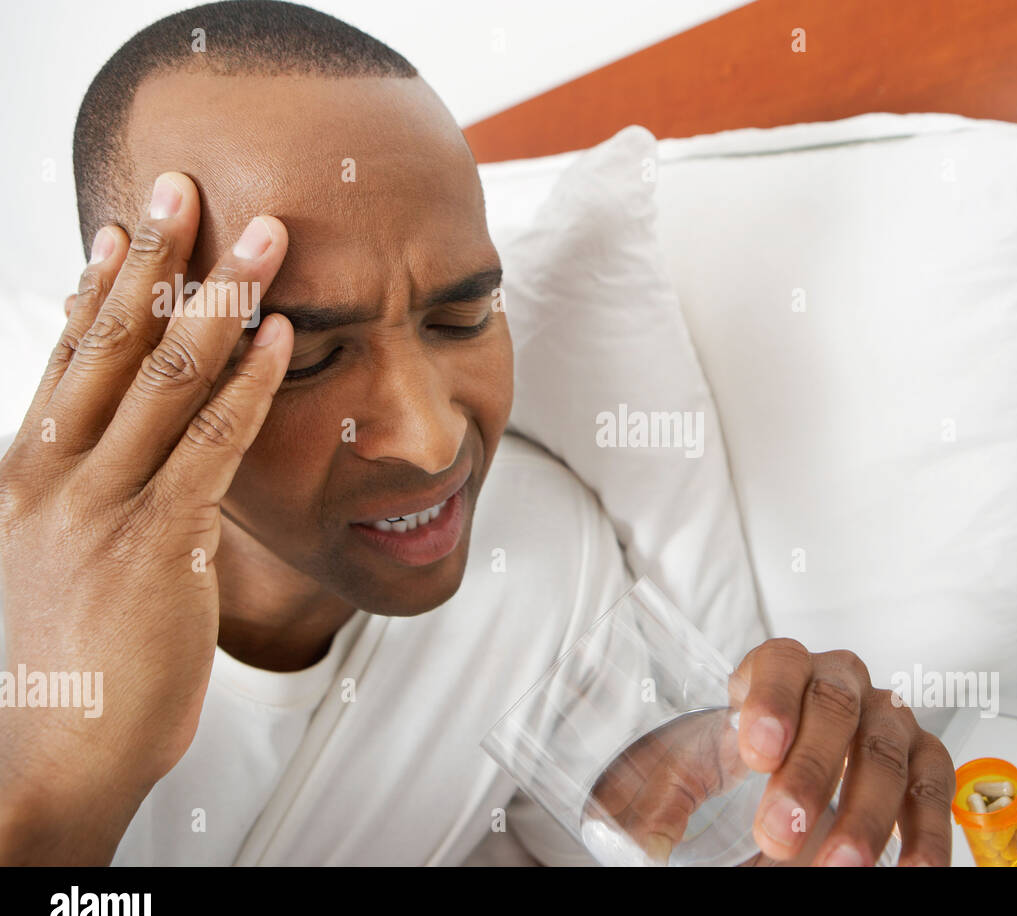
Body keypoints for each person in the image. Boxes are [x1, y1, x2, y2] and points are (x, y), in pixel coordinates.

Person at [0, 0, 955, 866]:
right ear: (132, 359)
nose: (429, 440)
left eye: (461, 319)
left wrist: (787, 793)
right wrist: (56, 788)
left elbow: (650, 828)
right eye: (303, 360)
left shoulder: (540, 564)